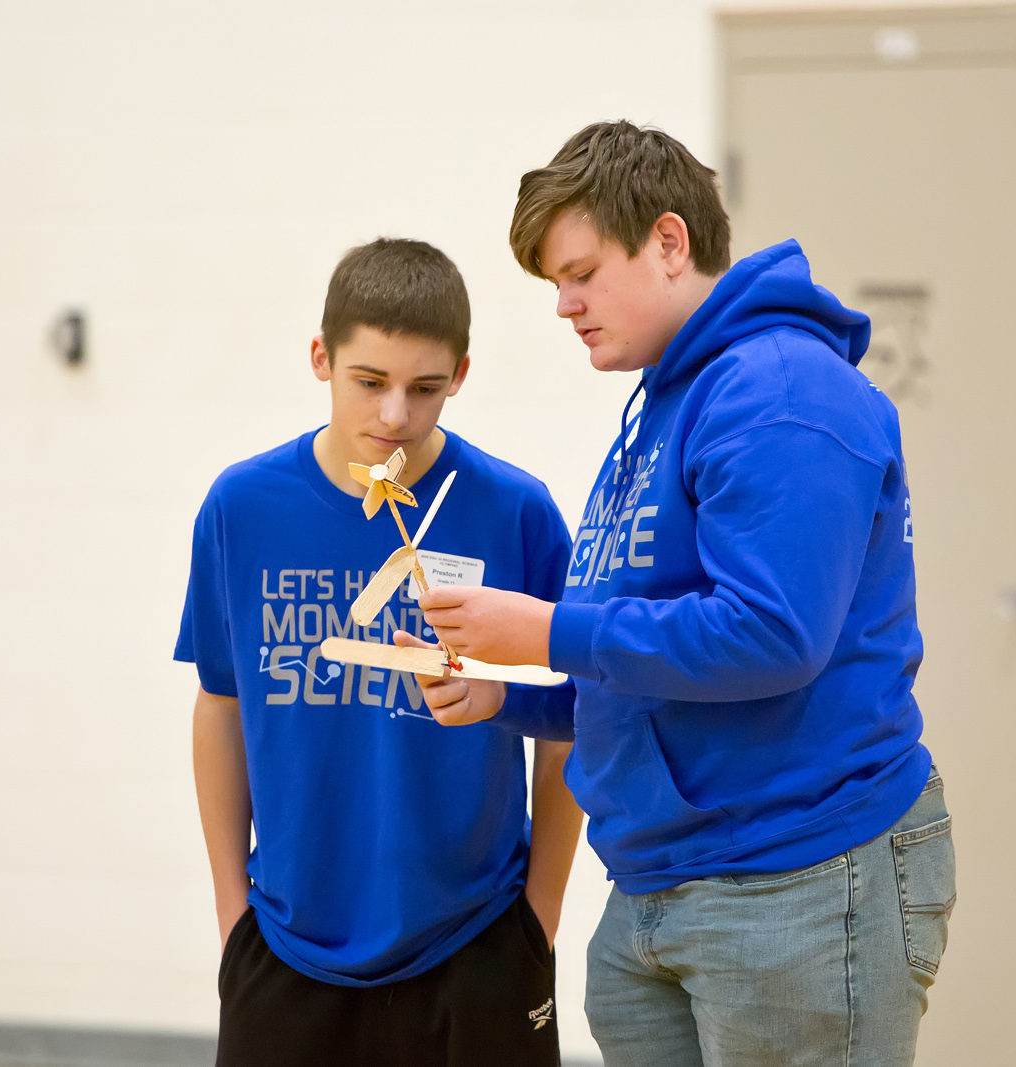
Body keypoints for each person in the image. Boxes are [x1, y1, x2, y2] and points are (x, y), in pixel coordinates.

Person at [397, 122, 955, 1066]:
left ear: (667, 240)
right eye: (554, 284)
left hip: (795, 871)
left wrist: (546, 632)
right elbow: (648, 666)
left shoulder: (779, 389)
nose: (565, 305)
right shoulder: (667, 403)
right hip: (665, 878)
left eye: (581, 273)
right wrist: (508, 696)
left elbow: (770, 634)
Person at [175, 237, 584, 1067]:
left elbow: (577, 712)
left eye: (425, 388)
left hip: (476, 939)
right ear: (321, 359)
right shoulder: (242, 508)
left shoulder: (515, 511)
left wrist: (538, 917)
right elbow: (221, 702)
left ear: (460, 375)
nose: (395, 414)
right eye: (369, 381)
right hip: (285, 946)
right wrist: (230, 914)